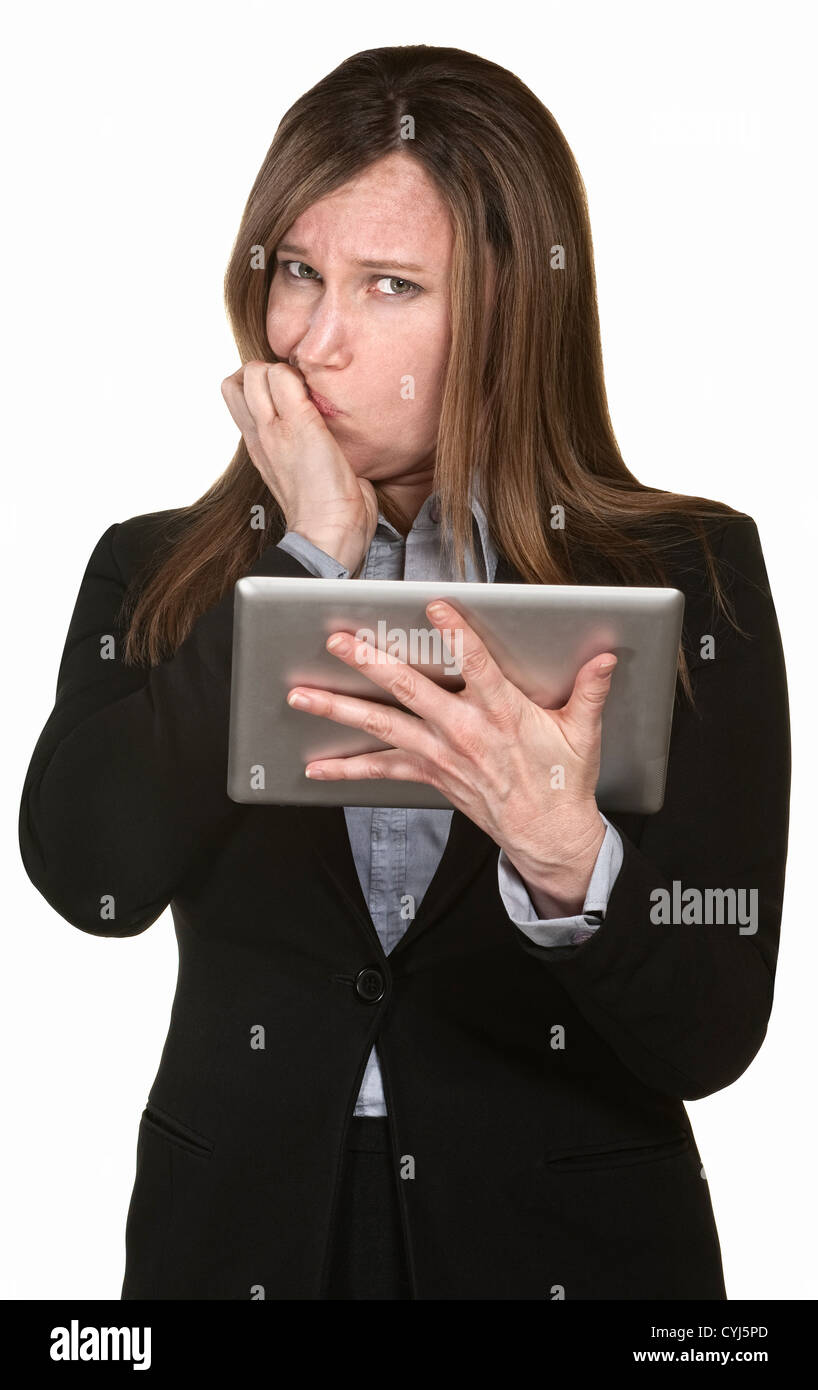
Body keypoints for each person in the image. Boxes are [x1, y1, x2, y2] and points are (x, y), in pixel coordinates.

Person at [18, 45, 790, 1300]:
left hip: (564, 1251)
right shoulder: (154, 570)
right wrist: (307, 562)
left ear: (507, 307)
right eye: (299, 275)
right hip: (245, 1241)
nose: (316, 339)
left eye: (388, 286)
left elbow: (710, 1030)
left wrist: (562, 855)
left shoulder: (690, 570)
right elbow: (87, 876)